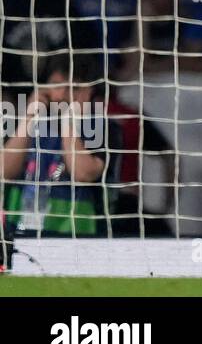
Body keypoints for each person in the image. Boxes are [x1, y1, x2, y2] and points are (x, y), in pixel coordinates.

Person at [1, 54, 119, 238]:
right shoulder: (24, 125)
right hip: (18, 233)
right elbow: (4, 171)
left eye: (73, 88)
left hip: (79, 237)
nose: (62, 94)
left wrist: (69, 120)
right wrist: (29, 117)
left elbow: (83, 173)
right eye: (56, 84)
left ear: (89, 92)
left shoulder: (103, 128)